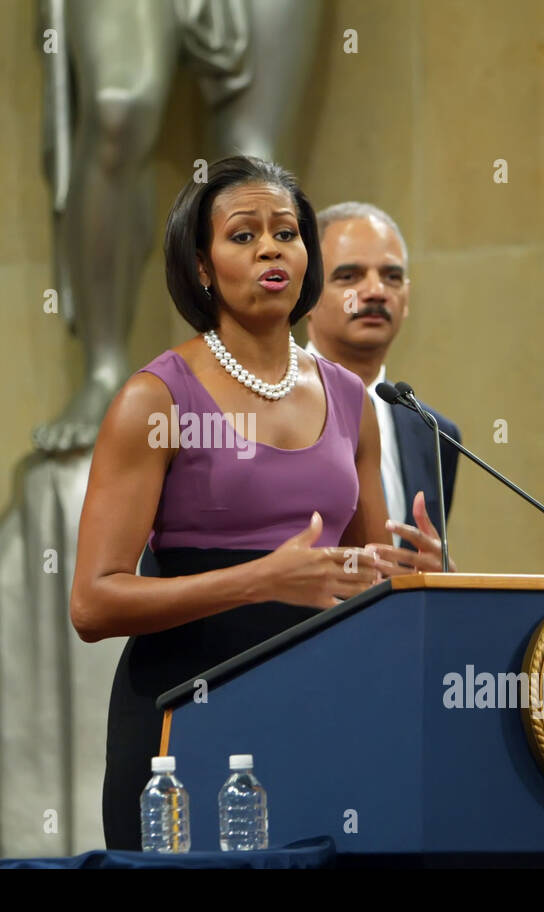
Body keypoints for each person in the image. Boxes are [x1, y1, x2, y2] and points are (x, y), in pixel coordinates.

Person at [71, 156, 441, 850]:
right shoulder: (155, 399)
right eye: (244, 235)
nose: (271, 246)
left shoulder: (349, 398)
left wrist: (425, 578)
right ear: (203, 267)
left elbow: (370, 580)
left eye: (286, 232)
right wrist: (259, 580)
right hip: (185, 715)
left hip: (322, 707)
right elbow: (92, 603)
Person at [304, 202, 460, 563]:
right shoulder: (265, 404)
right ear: (306, 295)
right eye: (349, 276)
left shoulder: (435, 433)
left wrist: (442, 580)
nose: (376, 291)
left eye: (391, 276)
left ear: (406, 299)